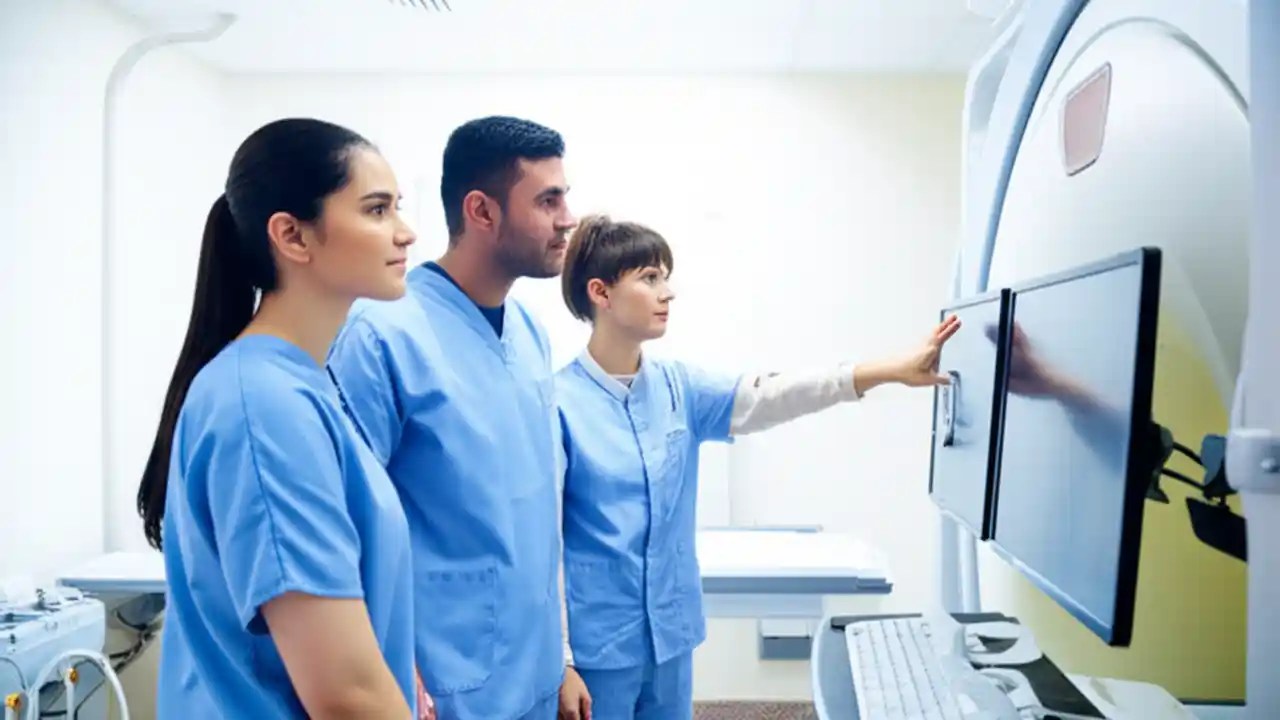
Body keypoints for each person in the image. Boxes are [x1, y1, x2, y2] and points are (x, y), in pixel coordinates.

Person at [554, 214, 961, 720]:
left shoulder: (680, 387)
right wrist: (561, 660)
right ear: (601, 292)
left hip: (672, 635)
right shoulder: (556, 404)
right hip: (598, 649)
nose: (669, 292)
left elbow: (773, 395)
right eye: (650, 278)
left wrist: (885, 372)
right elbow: (543, 543)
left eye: (666, 276)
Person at [136, 118, 429, 718]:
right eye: (376, 211)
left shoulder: (300, 382)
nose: (405, 233)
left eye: (398, 208)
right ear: (293, 236)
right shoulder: (264, 404)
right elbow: (344, 695)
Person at [326, 115, 578, 720]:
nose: (569, 217)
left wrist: (563, 658)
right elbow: (340, 524)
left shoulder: (528, 331)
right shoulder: (381, 336)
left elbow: (539, 515)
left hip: (535, 671)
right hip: (439, 682)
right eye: (548, 200)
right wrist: (387, 668)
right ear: (482, 212)